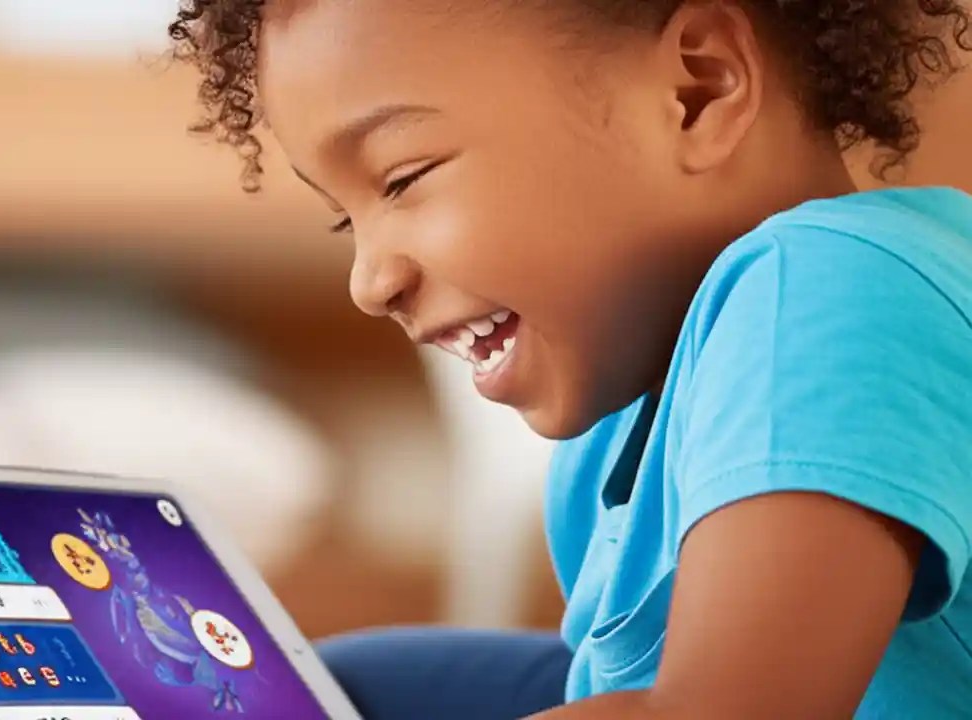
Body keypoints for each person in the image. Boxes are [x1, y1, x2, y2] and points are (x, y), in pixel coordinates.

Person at [169, 1, 972, 718]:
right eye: (348, 221)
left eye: (404, 177)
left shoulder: (834, 287)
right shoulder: (621, 419)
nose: (371, 282)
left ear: (701, 90)